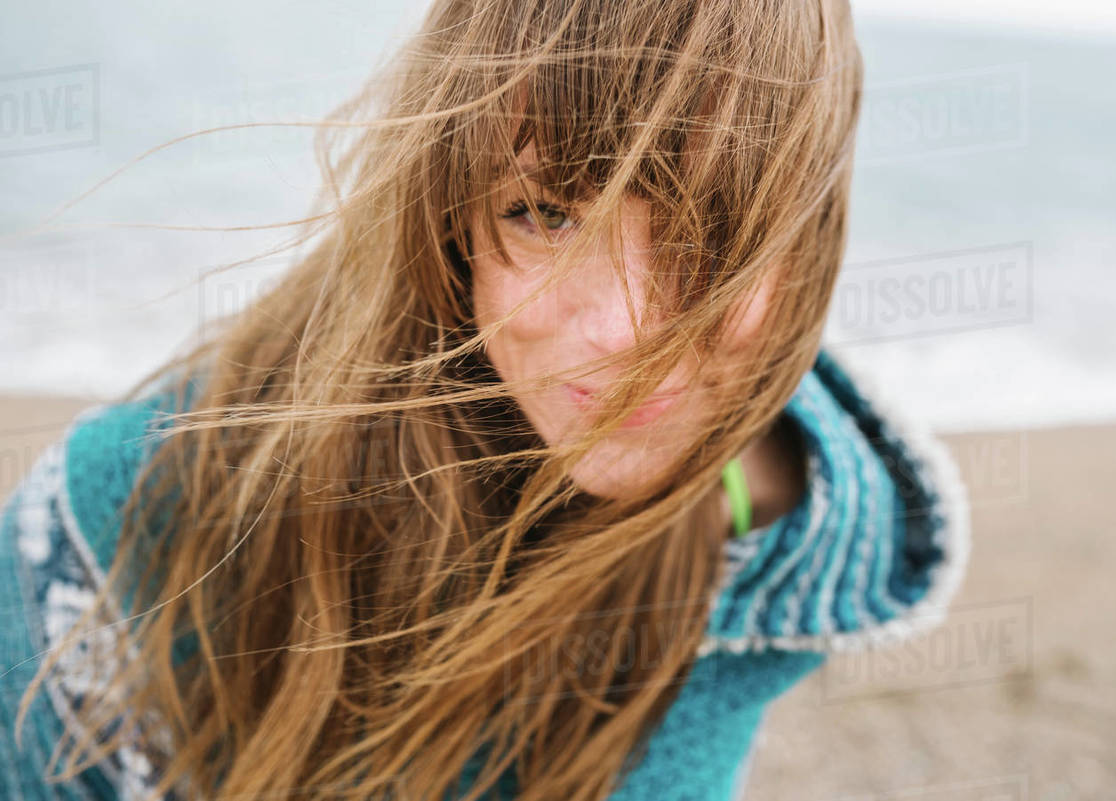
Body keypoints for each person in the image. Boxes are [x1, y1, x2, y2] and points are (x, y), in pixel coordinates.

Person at [0, 0, 970, 799]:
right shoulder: (132, 504)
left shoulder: (790, 548)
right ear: (448, 207)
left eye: (715, 226)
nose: (622, 333)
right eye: (544, 212)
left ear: (810, 237)